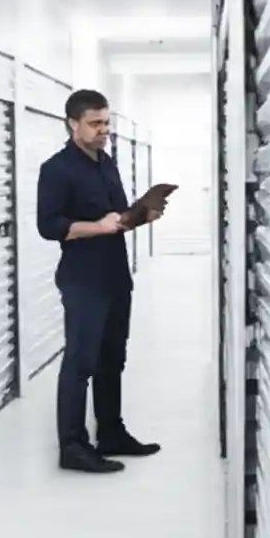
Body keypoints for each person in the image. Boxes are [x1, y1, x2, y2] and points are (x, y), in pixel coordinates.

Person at [36, 90, 163, 474]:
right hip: (83, 279)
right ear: (72, 124)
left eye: (106, 123)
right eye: (95, 123)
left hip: (115, 274)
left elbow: (117, 215)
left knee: (113, 358)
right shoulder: (56, 169)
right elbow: (49, 226)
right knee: (80, 362)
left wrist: (140, 215)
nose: (103, 130)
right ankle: (72, 447)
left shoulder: (107, 162)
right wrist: (97, 226)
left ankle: (111, 432)